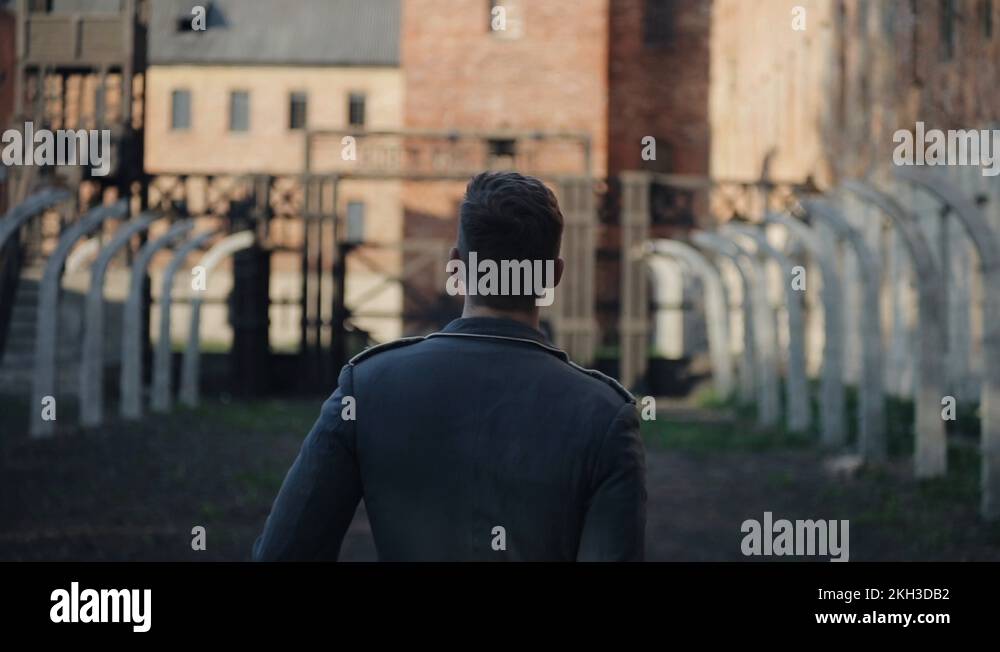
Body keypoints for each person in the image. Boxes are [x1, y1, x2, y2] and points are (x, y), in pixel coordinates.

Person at [253, 171, 646, 561]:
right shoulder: (605, 414)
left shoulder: (368, 386)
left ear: (457, 266)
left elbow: (282, 552)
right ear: (553, 275)